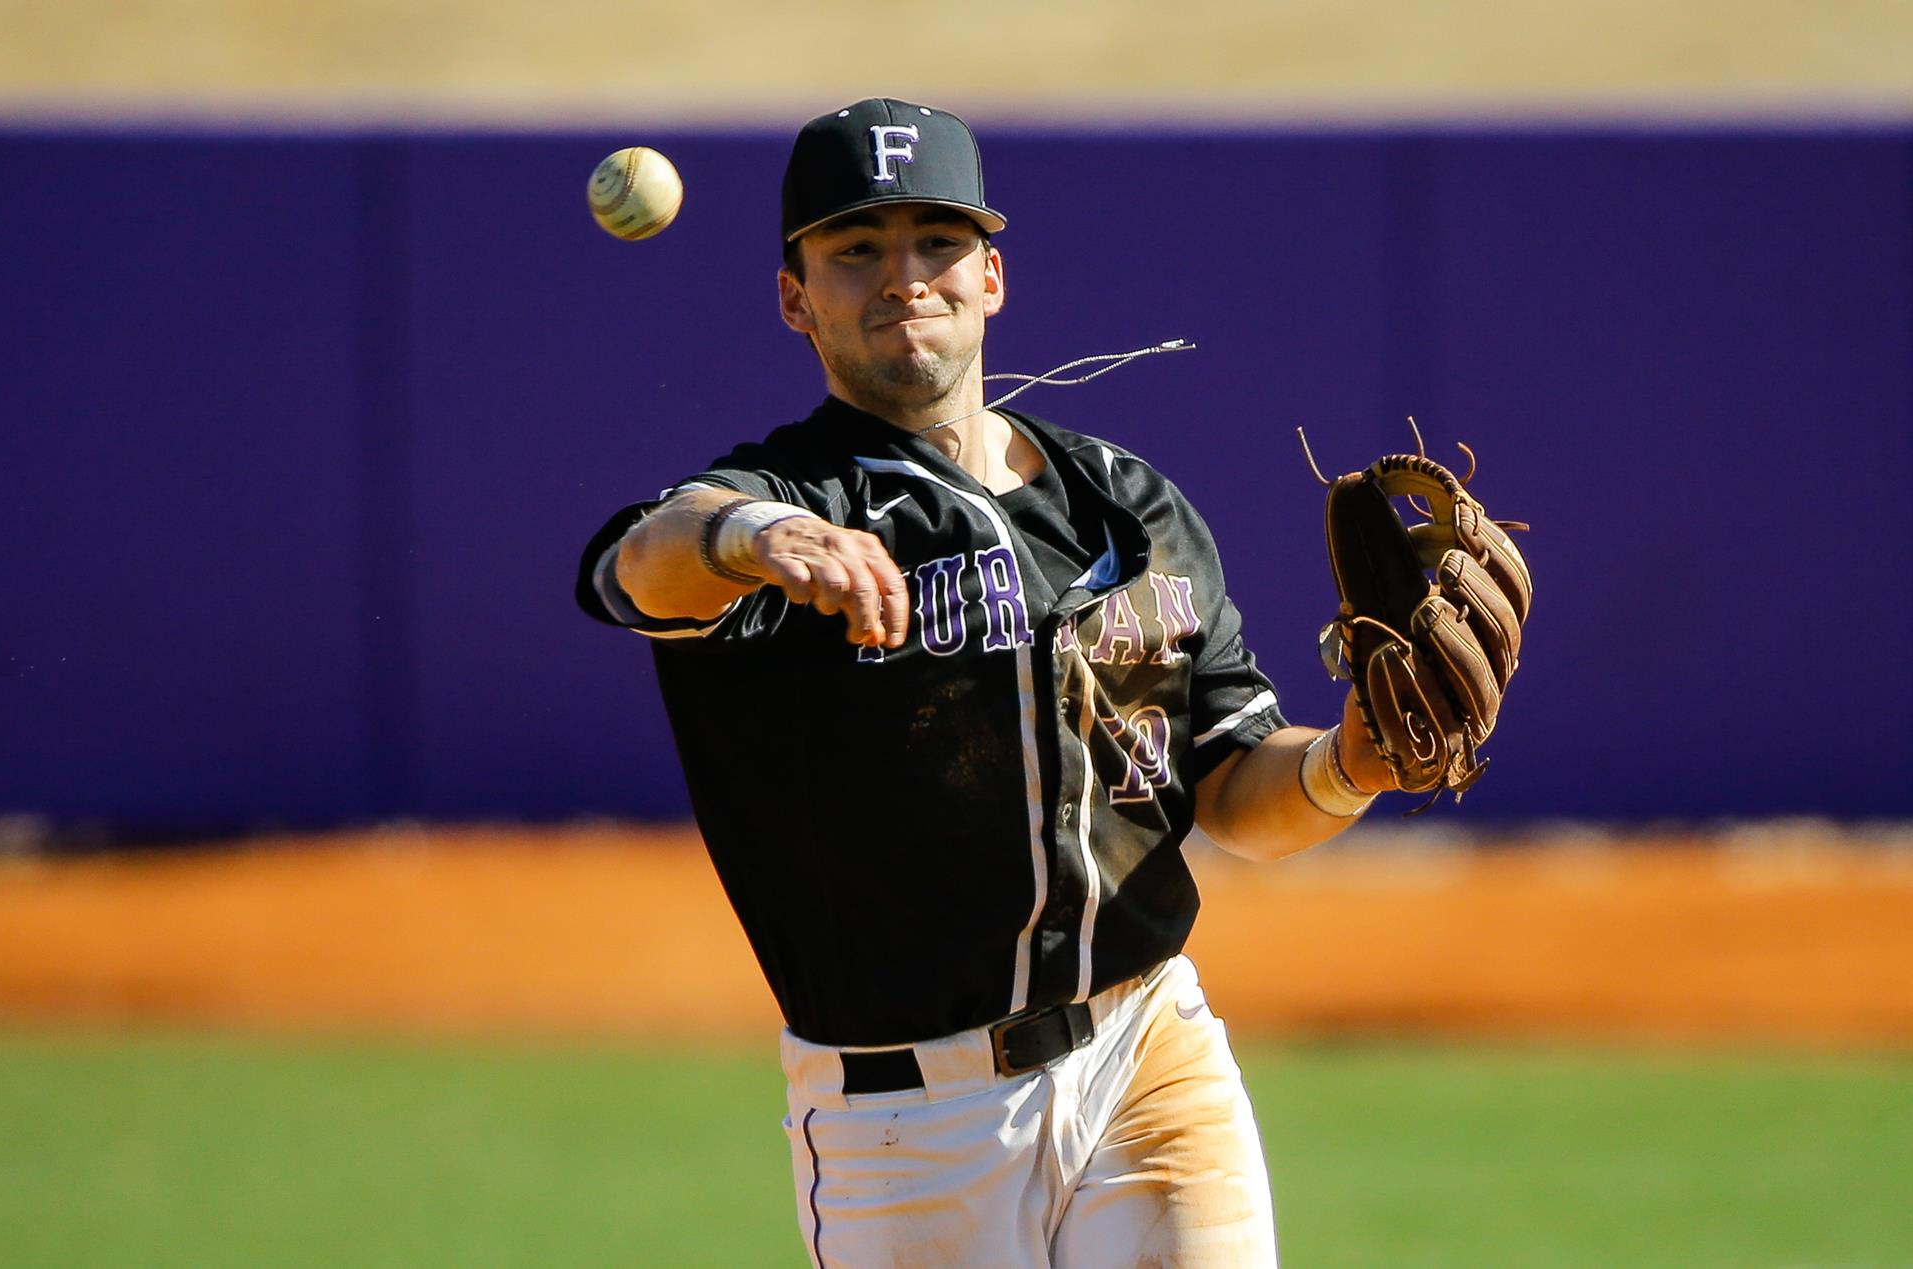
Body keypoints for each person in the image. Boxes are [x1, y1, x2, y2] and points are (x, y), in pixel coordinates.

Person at [576, 97, 1396, 1269]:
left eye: (936, 243)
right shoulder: (786, 500)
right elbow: (639, 563)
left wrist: (1352, 763)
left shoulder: (1123, 501)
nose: (903, 276)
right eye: (855, 249)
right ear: (793, 297)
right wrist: (753, 537)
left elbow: (1227, 789)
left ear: (991, 277)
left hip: (1145, 1053)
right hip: (905, 1129)